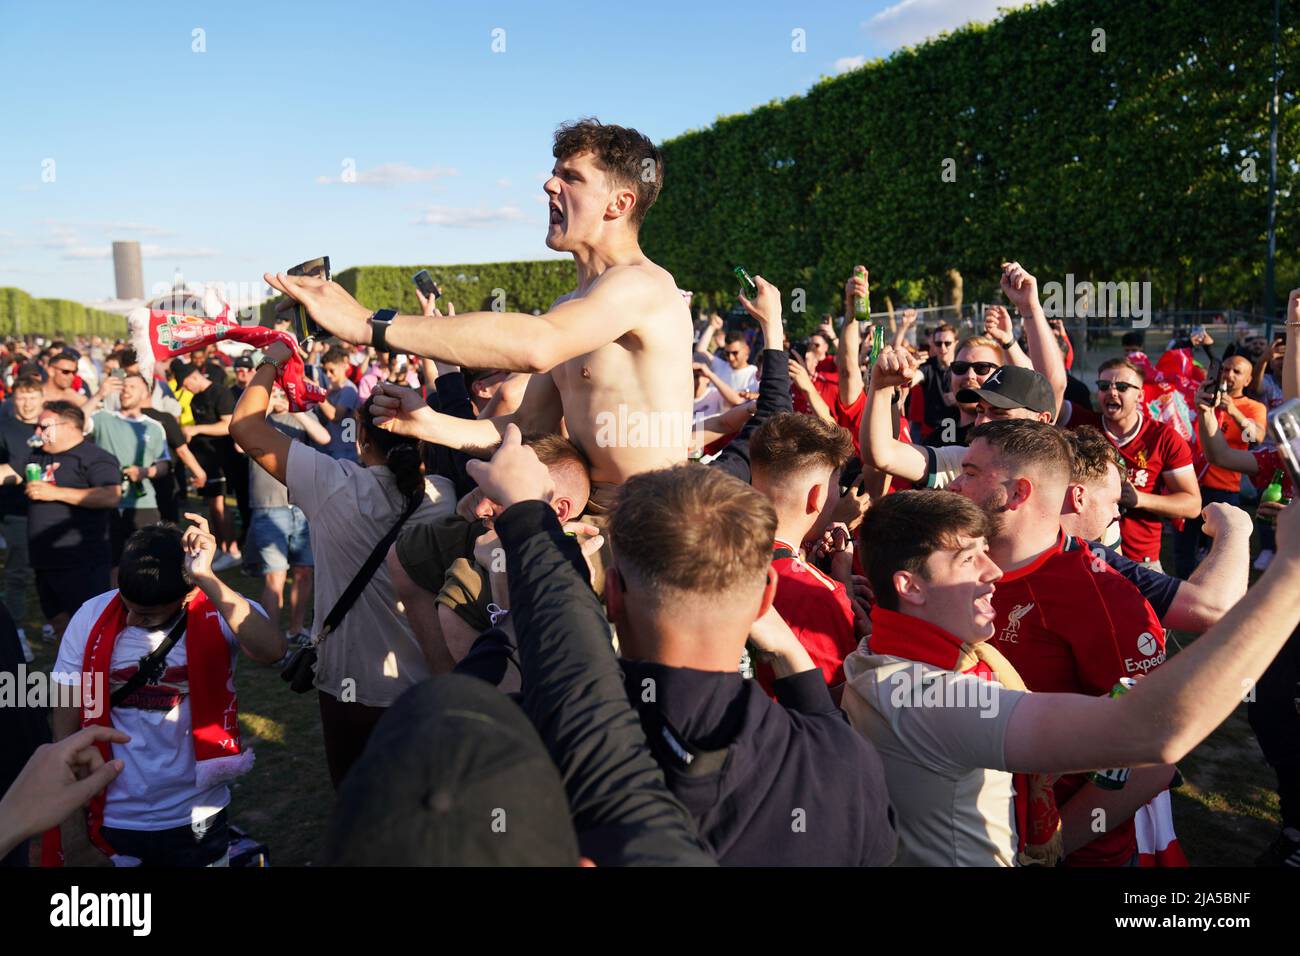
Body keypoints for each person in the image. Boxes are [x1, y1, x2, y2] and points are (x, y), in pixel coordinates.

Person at [842, 488, 1300, 866]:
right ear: (910, 586)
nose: (994, 572)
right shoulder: (929, 697)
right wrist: (1288, 575)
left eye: (986, 552)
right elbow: (1155, 732)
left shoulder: (879, 655)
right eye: (967, 560)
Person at [269, 119, 692, 510]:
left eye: (571, 178)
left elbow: (537, 345)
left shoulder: (641, 284)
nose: (549, 184)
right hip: (591, 513)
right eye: (555, 172)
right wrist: (428, 423)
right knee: (416, 562)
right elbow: (526, 425)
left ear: (619, 203)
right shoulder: (569, 307)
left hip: (653, 520)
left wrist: (369, 324)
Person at [948, 420, 1182, 865]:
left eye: (972, 473)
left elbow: (1151, 758)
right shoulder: (951, 563)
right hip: (966, 833)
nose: (955, 485)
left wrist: (1049, 848)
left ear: (1018, 493)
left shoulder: (1104, 597)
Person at [230, 340, 436, 787]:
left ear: (361, 438)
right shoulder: (447, 496)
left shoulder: (332, 484)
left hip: (350, 685)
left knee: (356, 810)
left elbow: (245, 426)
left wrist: (272, 357)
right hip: (428, 683)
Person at [50, 518, 281, 866]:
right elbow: (63, 737)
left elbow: (272, 651)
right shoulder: (91, 617)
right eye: (125, 605)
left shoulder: (218, 612)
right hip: (114, 816)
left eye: (144, 615)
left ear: (187, 596)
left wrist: (208, 578)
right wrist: (75, 839)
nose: (129, 621)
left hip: (198, 815)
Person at [748, 412, 860, 693]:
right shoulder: (818, 594)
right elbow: (838, 703)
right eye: (838, 484)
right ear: (817, 496)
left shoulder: (713, 547)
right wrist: (842, 590)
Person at [25, 401, 122, 640]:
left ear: (68, 426)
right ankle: (70, 675)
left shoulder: (95, 457)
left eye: (43, 426)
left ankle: (97, 676)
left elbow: (111, 495)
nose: (37, 432)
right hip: (44, 560)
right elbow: (8, 472)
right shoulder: (38, 455)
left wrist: (55, 493)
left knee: (90, 630)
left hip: (81, 560)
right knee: (59, 624)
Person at [1095, 357, 1200, 570]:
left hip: (1140, 559)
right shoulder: (1083, 428)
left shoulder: (1163, 437)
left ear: (1140, 395)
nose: (1112, 392)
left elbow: (1192, 505)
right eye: (1104, 386)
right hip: (1088, 553)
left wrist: (1139, 499)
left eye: (1122, 387)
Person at [246, 385, 330, 648]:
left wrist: (295, 409)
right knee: (276, 576)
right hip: (269, 505)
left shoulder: (299, 414)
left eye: (282, 392)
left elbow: (324, 437)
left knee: (304, 571)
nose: (279, 397)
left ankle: (296, 628)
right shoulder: (256, 419)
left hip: (302, 503)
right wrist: (267, 407)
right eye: (275, 392)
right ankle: (270, 638)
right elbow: (240, 446)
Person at [1175, 358, 1266, 578]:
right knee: (1184, 550)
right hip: (1191, 485)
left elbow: (1256, 437)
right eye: (1225, 369)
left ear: (1248, 379)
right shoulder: (1203, 398)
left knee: (1219, 553)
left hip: (1224, 489)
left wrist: (1234, 411)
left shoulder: (1253, 407)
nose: (1229, 375)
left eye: (1237, 371)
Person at [89, 372, 171, 575]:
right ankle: (115, 605)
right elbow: (76, 423)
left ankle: (145, 603)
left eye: (132, 387)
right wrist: (99, 394)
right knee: (111, 562)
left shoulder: (154, 426)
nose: (126, 390)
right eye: (124, 386)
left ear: (146, 392)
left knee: (147, 560)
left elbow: (163, 465)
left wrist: (145, 472)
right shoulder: (102, 418)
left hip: (143, 502)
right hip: (107, 501)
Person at [175, 361, 242, 569]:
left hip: (221, 458)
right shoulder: (196, 399)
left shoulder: (220, 393)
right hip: (206, 461)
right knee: (212, 509)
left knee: (220, 507)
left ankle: (233, 550)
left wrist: (196, 429)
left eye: (186, 384)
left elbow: (229, 425)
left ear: (195, 376)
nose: (186, 389)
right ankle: (222, 548)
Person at [0, 377, 43, 656]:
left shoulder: (51, 425)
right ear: (14, 399)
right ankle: (16, 632)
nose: (27, 403)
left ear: (42, 399)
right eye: (22, 397)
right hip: (14, 511)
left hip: (52, 509)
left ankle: (53, 622)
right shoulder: (4, 428)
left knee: (47, 568)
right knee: (18, 571)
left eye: (32, 397)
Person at [315, 346, 360, 463]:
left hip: (346, 453)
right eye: (326, 371)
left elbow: (335, 416)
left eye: (331, 370)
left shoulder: (349, 390)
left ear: (343, 365)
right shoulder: (334, 389)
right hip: (332, 449)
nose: (328, 375)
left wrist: (317, 393)